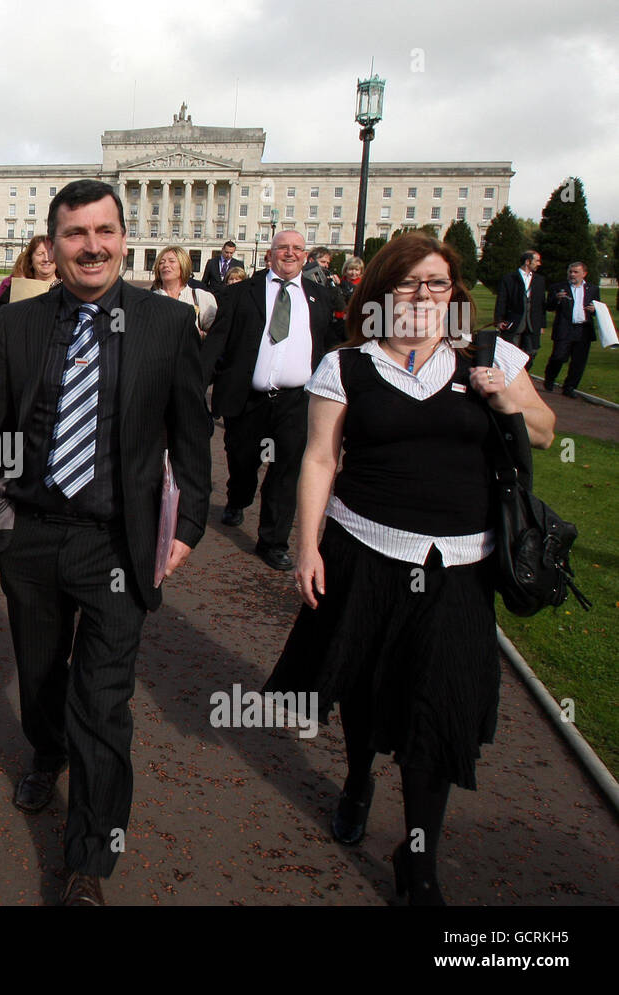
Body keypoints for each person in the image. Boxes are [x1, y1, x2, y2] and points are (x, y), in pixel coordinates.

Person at [264, 232, 555, 905]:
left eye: (438, 282)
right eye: (410, 282)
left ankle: (417, 859)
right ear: (385, 291)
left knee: (437, 707)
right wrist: (307, 545)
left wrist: (505, 399)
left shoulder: (491, 357)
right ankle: (359, 774)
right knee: (366, 691)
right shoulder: (348, 367)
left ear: (454, 291)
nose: (424, 295)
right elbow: (318, 459)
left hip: (459, 565)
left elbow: (543, 427)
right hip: (367, 552)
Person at [0, 180, 211, 906]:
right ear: (54, 244)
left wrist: (190, 526)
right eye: (76, 233)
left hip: (117, 542)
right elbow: (2, 425)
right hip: (34, 537)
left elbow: (192, 437)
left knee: (103, 704)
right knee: (40, 672)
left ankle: (89, 862)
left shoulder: (167, 324)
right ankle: (45, 751)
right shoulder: (20, 325)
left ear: (124, 237)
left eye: (105, 230)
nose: (93, 245)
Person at [207, 229, 337, 570]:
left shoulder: (320, 297)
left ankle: (273, 540)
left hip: (297, 401)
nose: (290, 254)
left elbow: (335, 342)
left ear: (306, 256)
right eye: (283, 248)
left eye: (297, 249)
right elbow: (217, 343)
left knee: (286, 471)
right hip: (249, 399)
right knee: (243, 459)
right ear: (270, 253)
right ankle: (238, 497)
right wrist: (193, 388)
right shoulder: (240, 294)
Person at [541, 261, 599, 397]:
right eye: (570, 272)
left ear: (584, 274)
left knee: (579, 361)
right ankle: (550, 378)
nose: (572, 275)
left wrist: (595, 310)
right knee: (559, 356)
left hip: (583, 329)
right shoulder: (558, 287)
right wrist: (556, 299)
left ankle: (570, 387)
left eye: (576, 272)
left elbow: (598, 308)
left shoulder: (592, 289)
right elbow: (548, 307)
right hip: (565, 328)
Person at [494, 251, 547, 371]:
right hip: (515, 320)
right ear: (528, 262)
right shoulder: (509, 278)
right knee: (511, 351)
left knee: (532, 351)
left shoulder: (539, 280)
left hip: (532, 322)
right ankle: (509, 376)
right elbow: (502, 300)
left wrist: (542, 324)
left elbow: (541, 304)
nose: (539, 263)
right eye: (537, 261)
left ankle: (523, 373)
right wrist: (499, 320)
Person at [150, 244, 218, 333]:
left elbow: (216, 334)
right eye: (161, 262)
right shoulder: (150, 299)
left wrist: (201, 336)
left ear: (183, 265)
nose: (165, 265)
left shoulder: (200, 297)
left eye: (171, 261)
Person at [0, 234, 59, 304]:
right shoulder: (19, 286)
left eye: (50, 253)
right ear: (31, 259)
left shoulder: (68, 289)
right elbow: (0, 312)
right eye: (40, 254)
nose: (46, 259)